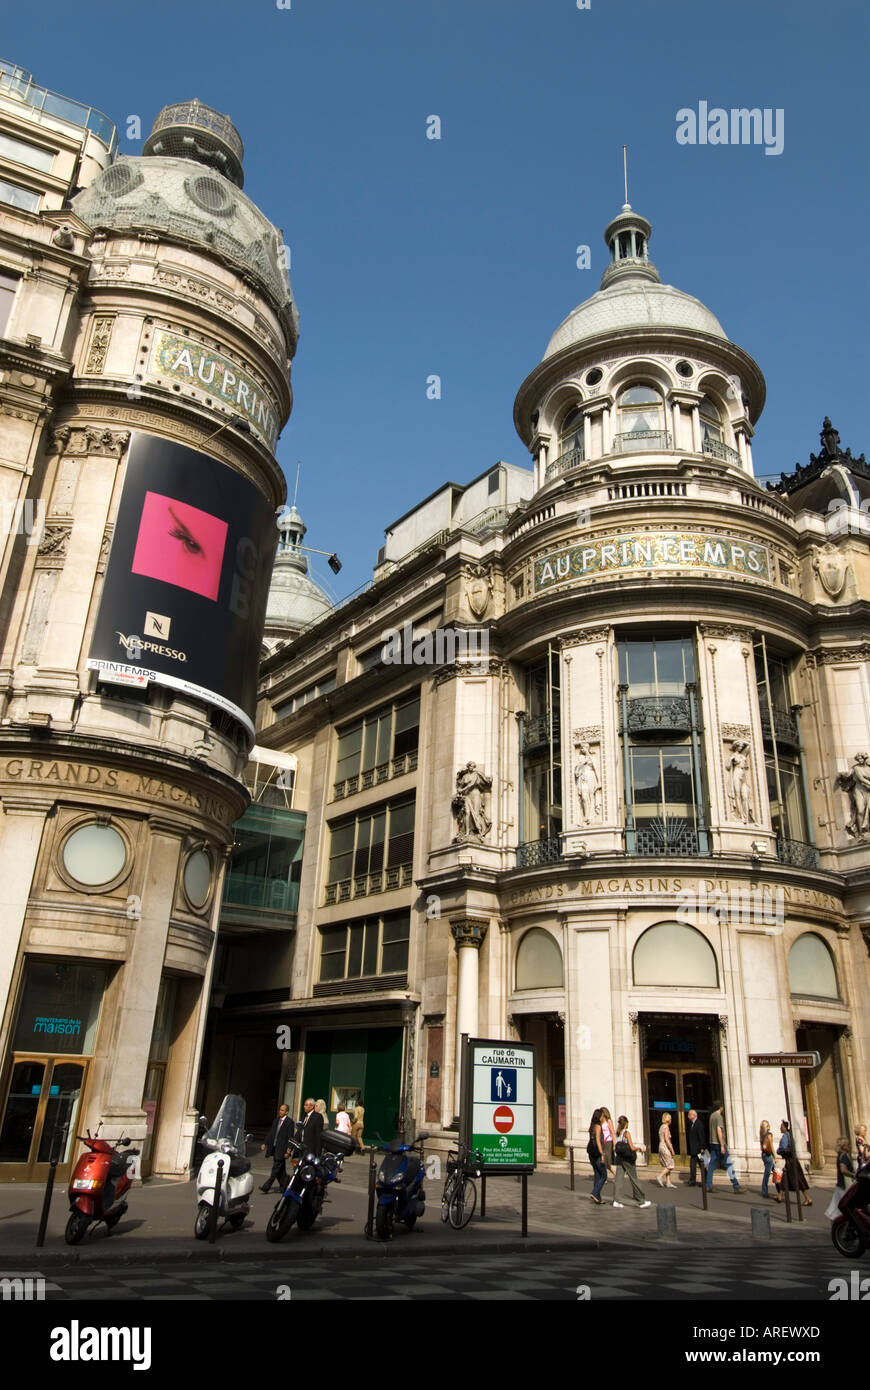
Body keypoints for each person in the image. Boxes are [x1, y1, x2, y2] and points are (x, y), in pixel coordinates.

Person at [612, 1115, 652, 1209]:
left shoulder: (618, 1132)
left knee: (618, 1179)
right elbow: (632, 1147)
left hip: (619, 1157)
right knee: (634, 1178)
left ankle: (616, 1200)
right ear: (626, 1123)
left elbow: (615, 1146)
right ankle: (641, 1200)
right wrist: (640, 1148)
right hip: (627, 1158)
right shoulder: (626, 1133)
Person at [705, 1100, 742, 1193]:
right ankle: (736, 1186)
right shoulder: (719, 1117)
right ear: (721, 1107)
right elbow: (719, 1130)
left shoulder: (712, 1116)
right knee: (728, 1164)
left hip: (713, 1143)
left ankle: (708, 1184)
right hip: (719, 1143)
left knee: (712, 1164)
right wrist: (722, 1145)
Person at [260, 1102, 293, 1193]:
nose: (280, 1112)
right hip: (274, 1147)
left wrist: (288, 1150)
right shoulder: (276, 1120)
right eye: (280, 1110)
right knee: (280, 1170)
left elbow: (290, 1138)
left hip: (282, 1149)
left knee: (276, 1168)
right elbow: (271, 1133)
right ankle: (285, 1185)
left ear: (286, 1112)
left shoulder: (289, 1122)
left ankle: (267, 1186)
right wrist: (265, 1143)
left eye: (282, 1110)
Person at [777, 1120, 811, 1207]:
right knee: (786, 1178)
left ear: (785, 1127)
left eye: (781, 1127)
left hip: (790, 1161)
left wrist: (778, 1151)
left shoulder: (785, 1136)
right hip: (793, 1160)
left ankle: (808, 1198)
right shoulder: (790, 1136)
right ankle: (780, 1195)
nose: (780, 1128)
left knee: (798, 1180)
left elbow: (783, 1148)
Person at [587, 1108, 607, 1205]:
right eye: (602, 1116)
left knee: (597, 1174)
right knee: (604, 1175)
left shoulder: (591, 1126)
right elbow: (598, 1141)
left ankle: (597, 1198)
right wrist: (602, 1154)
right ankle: (594, 1193)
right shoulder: (598, 1126)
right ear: (599, 1116)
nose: (603, 1117)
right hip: (597, 1153)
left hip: (591, 1153)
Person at [657, 1111, 677, 1188]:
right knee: (670, 1165)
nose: (671, 1120)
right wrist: (672, 1149)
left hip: (661, 1146)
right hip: (665, 1146)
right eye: (670, 1118)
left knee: (667, 1164)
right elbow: (667, 1139)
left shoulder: (661, 1126)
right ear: (668, 1119)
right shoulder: (666, 1127)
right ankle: (660, 1176)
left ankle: (668, 1182)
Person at [687, 1109, 706, 1187]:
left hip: (698, 1149)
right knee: (692, 1165)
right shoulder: (692, 1124)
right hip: (694, 1150)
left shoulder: (699, 1124)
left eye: (689, 1114)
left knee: (702, 1166)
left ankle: (704, 1181)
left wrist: (702, 1148)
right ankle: (692, 1180)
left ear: (694, 1115)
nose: (688, 1116)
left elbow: (701, 1137)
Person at [760, 1119, 776, 1197]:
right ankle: (764, 1192)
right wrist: (775, 1156)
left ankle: (780, 1189)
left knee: (774, 1171)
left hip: (764, 1155)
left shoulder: (762, 1135)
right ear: (768, 1127)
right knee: (767, 1174)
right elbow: (771, 1146)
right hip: (768, 1155)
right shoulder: (769, 1135)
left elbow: (762, 1147)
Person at [600, 1107, 616, 1178]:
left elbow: (612, 1132)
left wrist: (614, 1144)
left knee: (606, 1160)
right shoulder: (600, 1122)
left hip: (608, 1141)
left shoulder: (609, 1121)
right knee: (603, 1160)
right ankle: (606, 1176)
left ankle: (611, 1175)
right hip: (602, 1142)